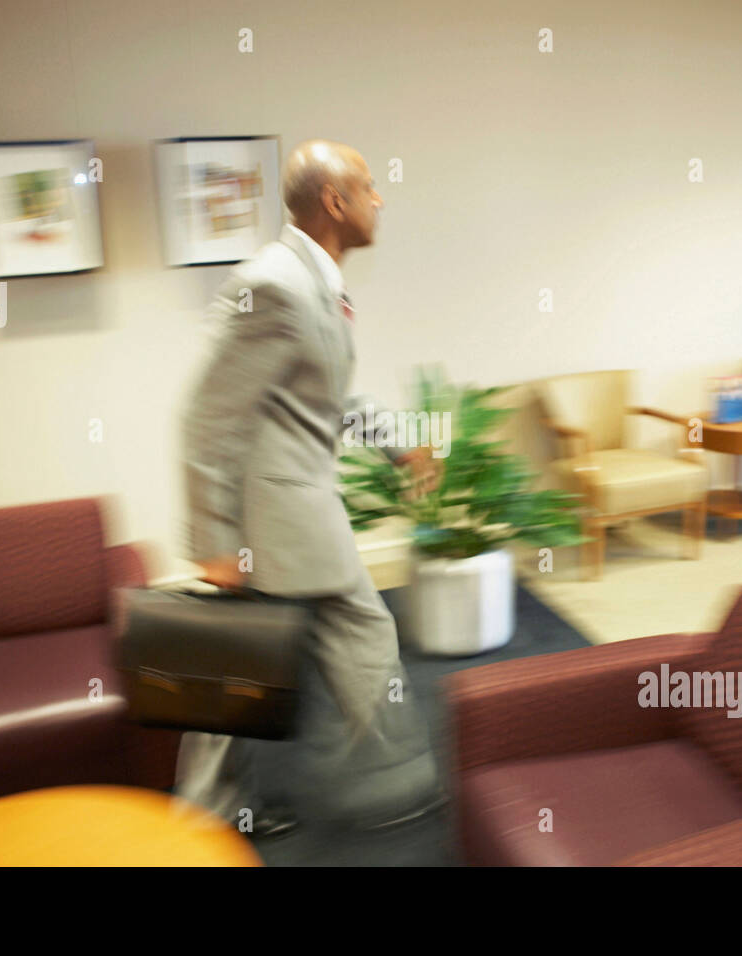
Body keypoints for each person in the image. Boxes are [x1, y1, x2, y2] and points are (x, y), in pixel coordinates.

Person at [176, 139, 444, 836]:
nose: (379, 199)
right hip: (282, 516)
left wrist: (399, 444)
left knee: (244, 665)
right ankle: (394, 784)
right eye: (368, 187)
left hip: (286, 511)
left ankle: (212, 814)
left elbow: (326, 395)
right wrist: (215, 541)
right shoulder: (273, 284)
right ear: (335, 202)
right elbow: (207, 417)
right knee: (361, 628)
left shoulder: (312, 280)